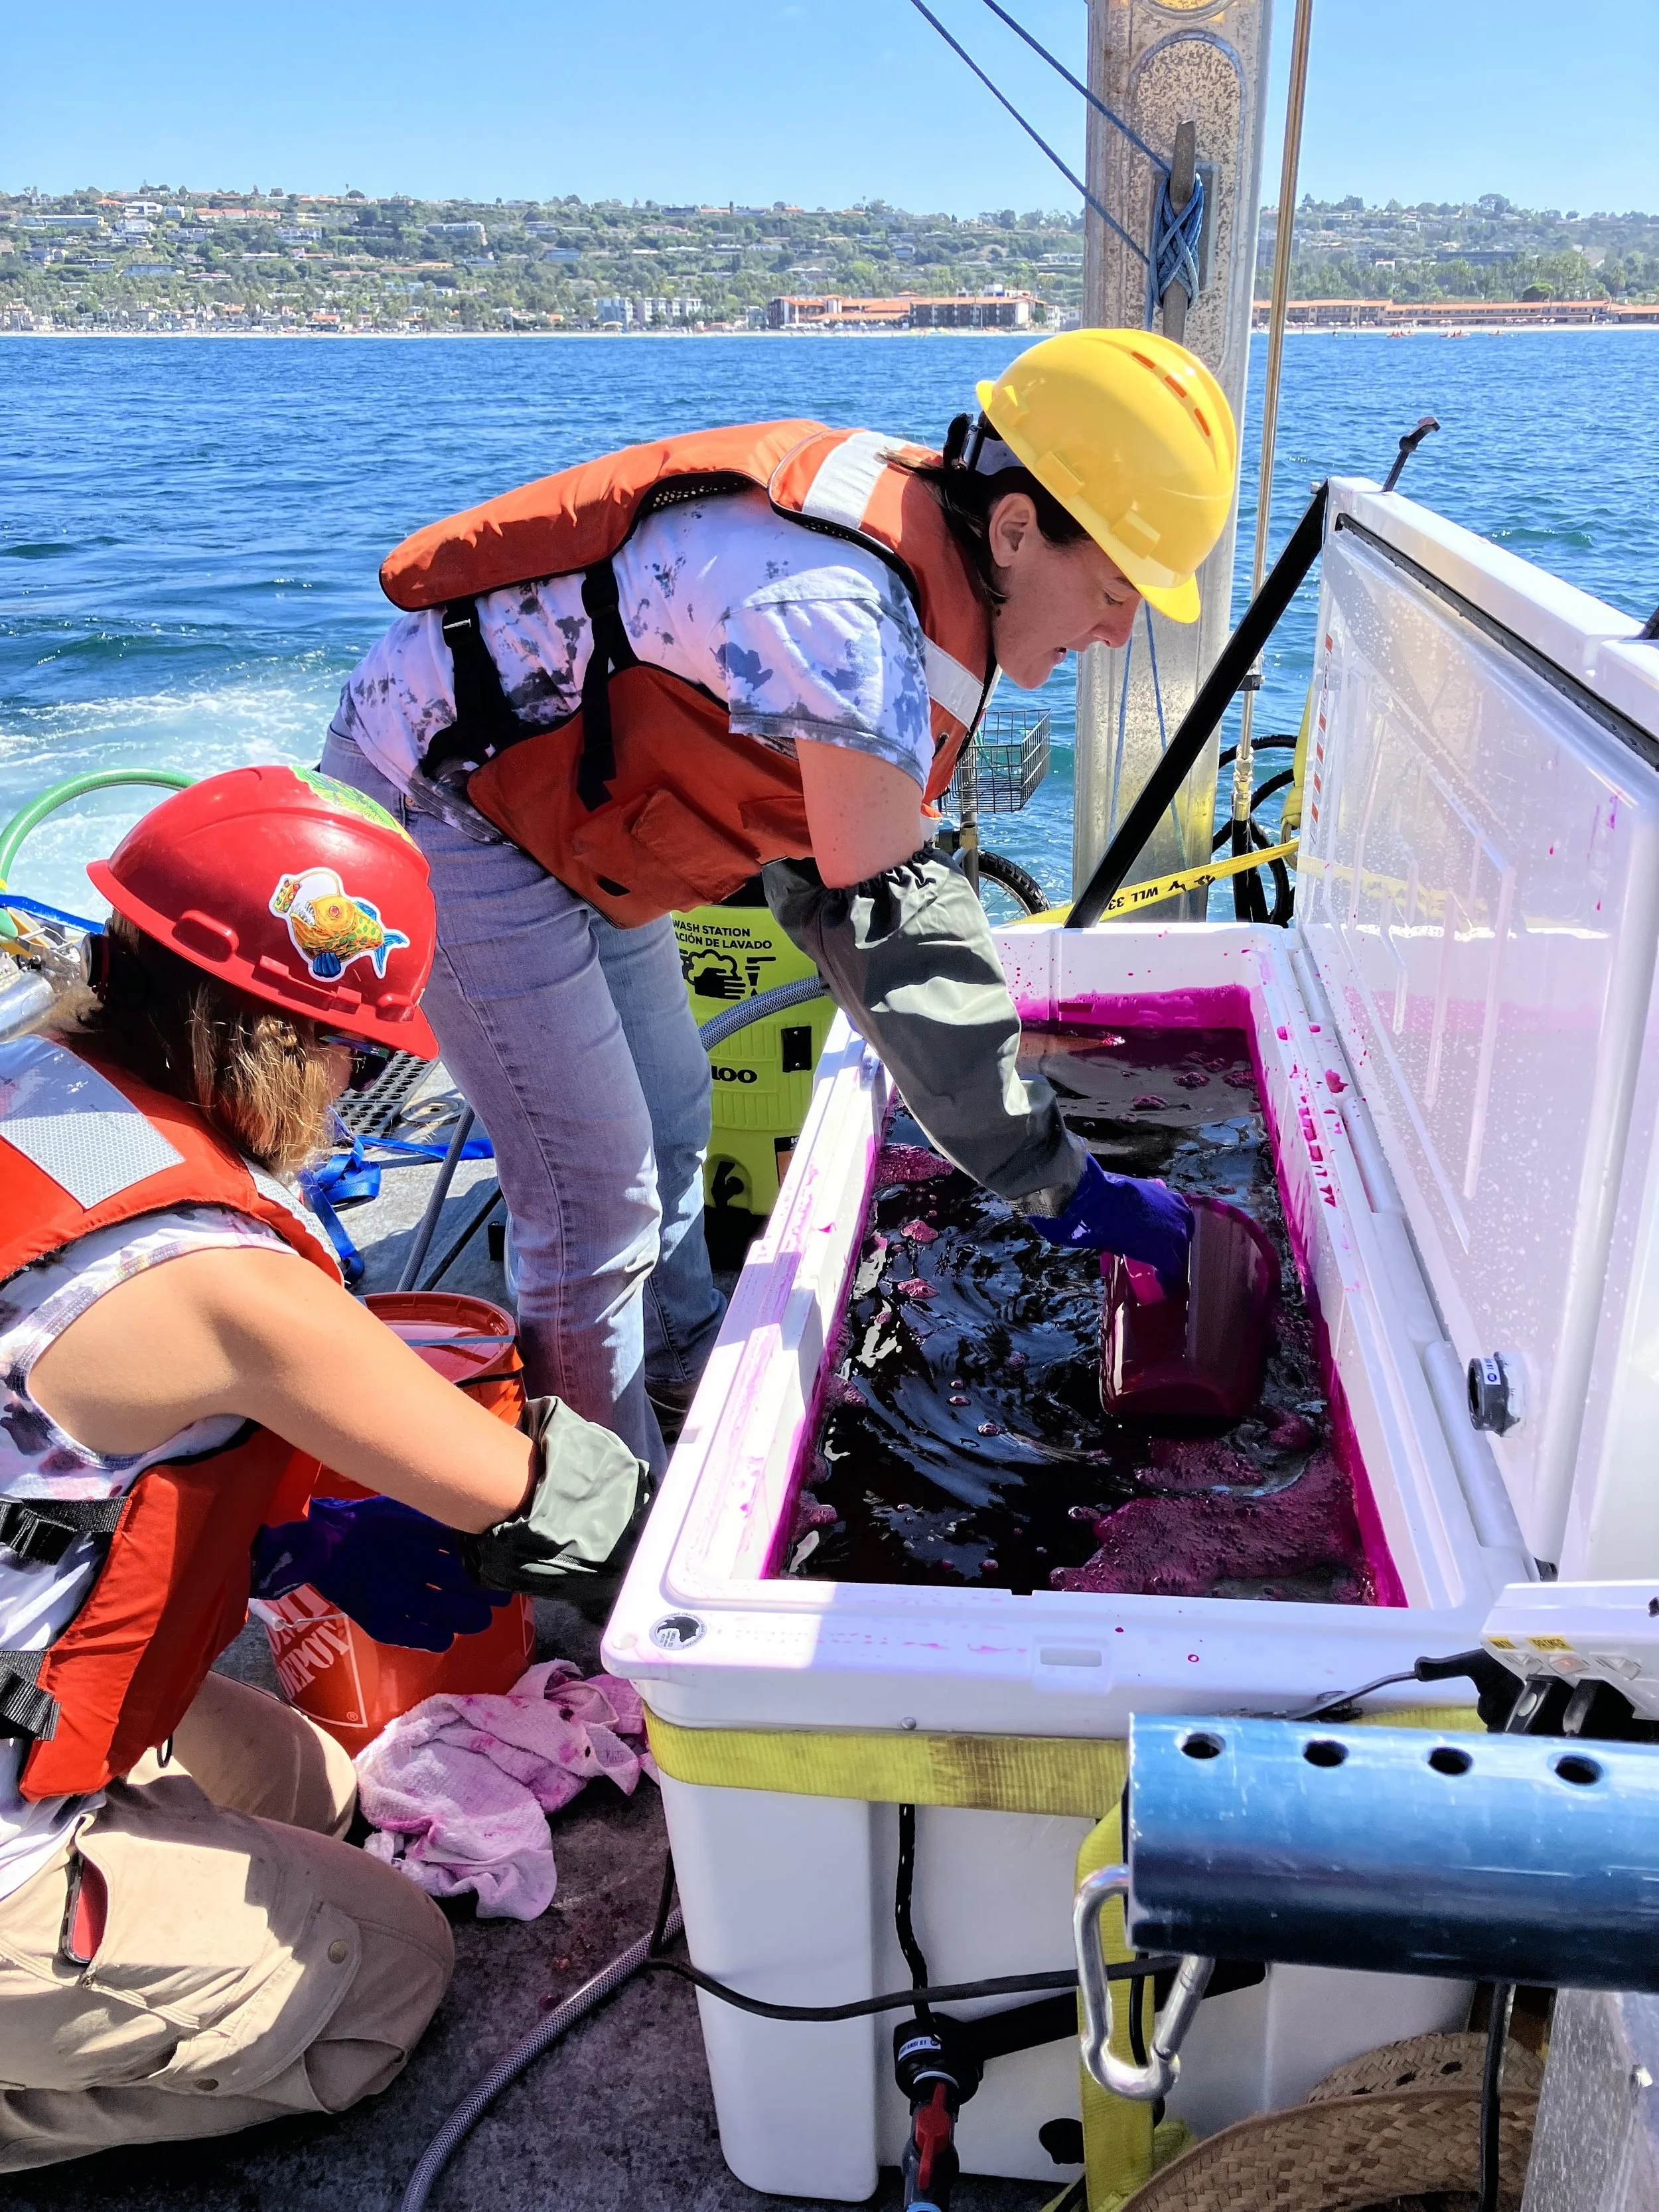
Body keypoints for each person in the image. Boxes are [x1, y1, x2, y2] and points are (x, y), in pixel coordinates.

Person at [319, 329, 1238, 1468]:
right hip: (450, 795)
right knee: (594, 1198)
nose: (1119, 631)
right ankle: (597, 1518)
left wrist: (1001, 1081)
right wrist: (1060, 1183)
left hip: (572, 807)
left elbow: (849, 873)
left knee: (672, 1114)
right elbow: (893, 939)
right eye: (1112, 589)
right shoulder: (838, 622)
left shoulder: (927, 553)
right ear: (1012, 528)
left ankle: (678, 1362)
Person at [0, 765, 646, 2170]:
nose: (356, 1082)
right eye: (352, 1048)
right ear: (283, 1041)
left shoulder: (34, 1077)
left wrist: (281, 1541)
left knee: (318, 1786)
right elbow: (551, 1503)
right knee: (386, 1974)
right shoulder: (212, 1277)